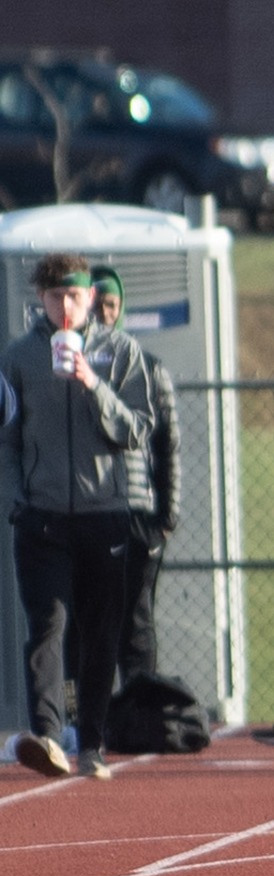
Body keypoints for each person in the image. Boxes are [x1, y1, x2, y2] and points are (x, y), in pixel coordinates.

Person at [1, 253, 136, 780]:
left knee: (100, 631)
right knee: (47, 626)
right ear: (41, 299)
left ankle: (93, 743)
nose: (65, 306)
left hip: (105, 514)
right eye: (55, 296)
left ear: (90, 299)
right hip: (42, 516)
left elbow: (135, 431)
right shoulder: (17, 358)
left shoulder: (121, 353)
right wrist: (19, 501)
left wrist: (91, 383)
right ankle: (50, 738)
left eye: (75, 296)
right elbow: (7, 439)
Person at [94, 267, 180, 685]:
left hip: (137, 512)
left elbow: (168, 446)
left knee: (136, 618)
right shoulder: (71, 371)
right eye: (94, 306)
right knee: (86, 619)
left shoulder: (148, 368)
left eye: (110, 306)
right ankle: (81, 717)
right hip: (87, 510)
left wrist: (167, 516)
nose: (102, 314)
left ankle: (137, 706)